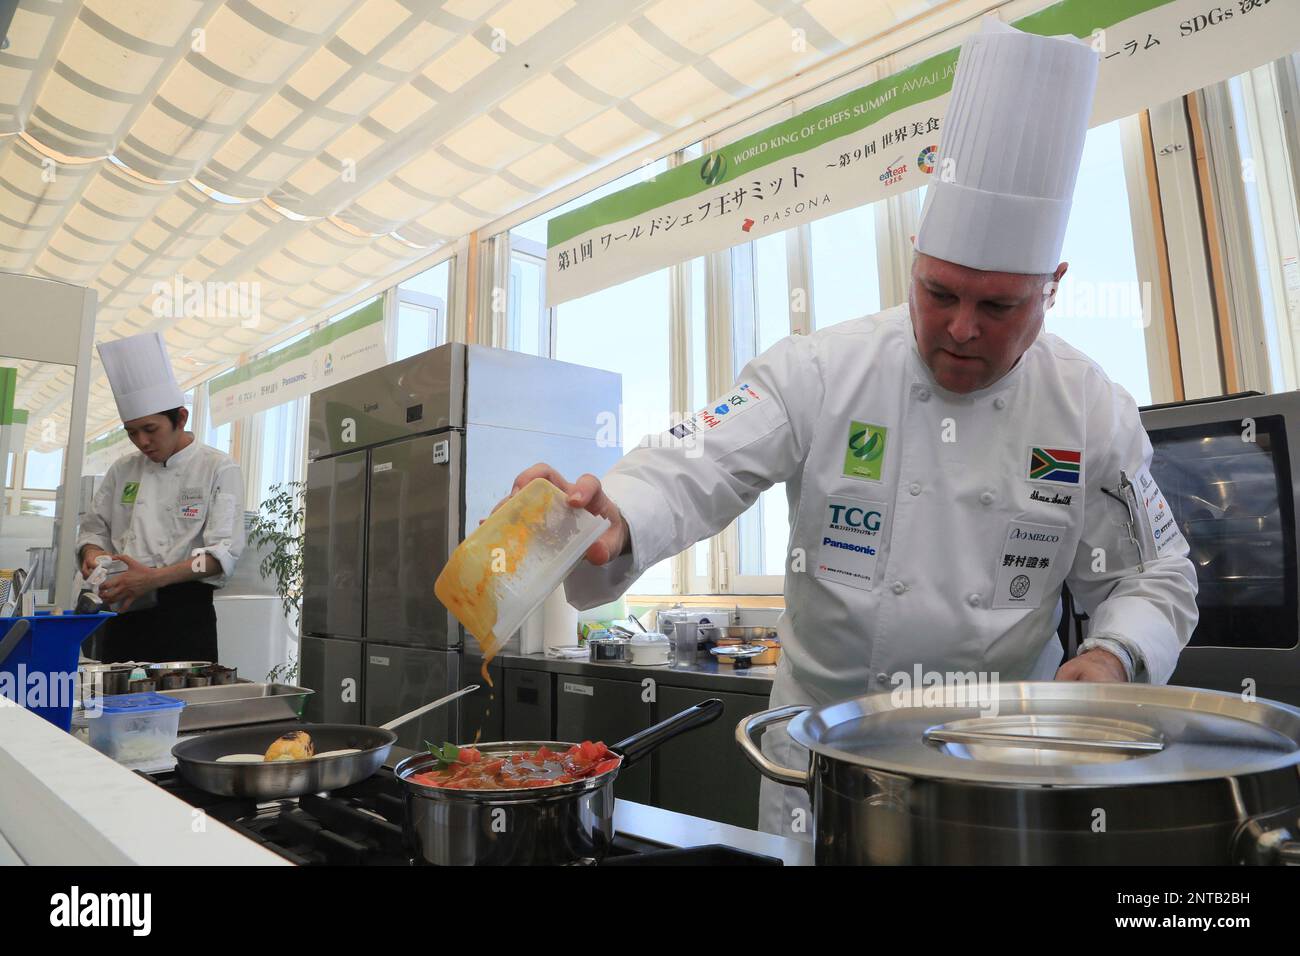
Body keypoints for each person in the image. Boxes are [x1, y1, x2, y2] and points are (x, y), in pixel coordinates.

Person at [495, 19, 1198, 838]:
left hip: (999, 771)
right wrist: (614, 516)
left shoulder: (1089, 409)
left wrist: (1111, 657)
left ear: (1053, 288)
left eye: (998, 305)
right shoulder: (822, 371)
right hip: (821, 774)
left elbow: (1157, 575)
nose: (962, 328)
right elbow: (698, 461)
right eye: (939, 293)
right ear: (914, 259)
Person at [76, 332, 245, 664]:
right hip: (122, 614)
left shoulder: (217, 467)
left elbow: (218, 555)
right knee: (117, 708)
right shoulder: (123, 469)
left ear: (180, 418)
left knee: (182, 710)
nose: (141, 441)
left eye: (150, 430)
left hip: (183, 617)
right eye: (131, 432)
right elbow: (93, 529)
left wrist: (152, 578)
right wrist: (93, 553)